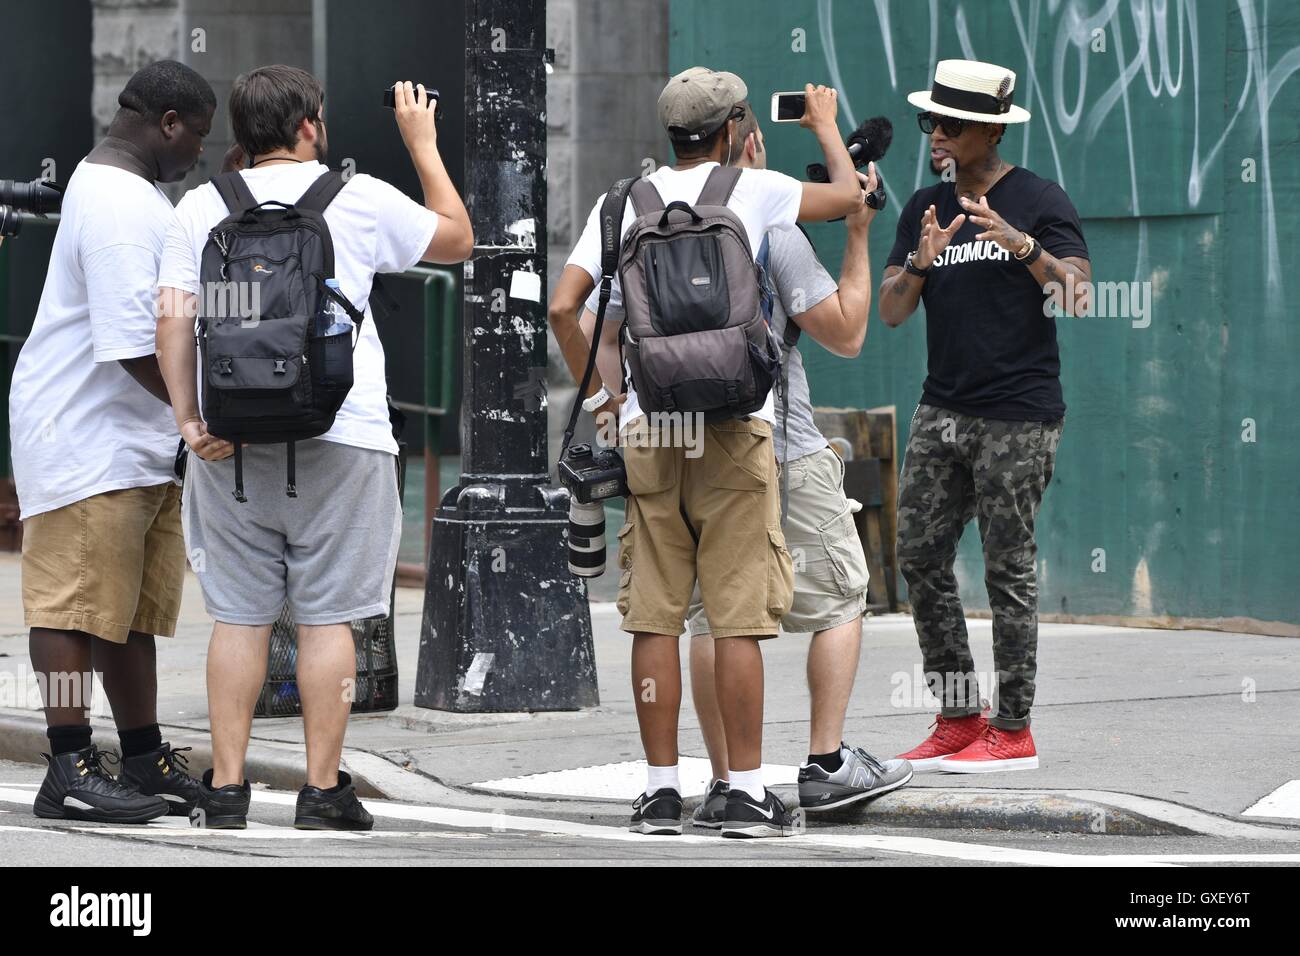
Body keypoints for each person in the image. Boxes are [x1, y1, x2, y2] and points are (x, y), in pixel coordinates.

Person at [548, 67, 862, 838]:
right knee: (736, 619)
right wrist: (825, 128)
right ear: (733, 130)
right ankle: (746, 791)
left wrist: (606, 404)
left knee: (657, 616)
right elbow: (851, 200)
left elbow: (563, 306)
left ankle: (661, 792)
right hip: (734, 429)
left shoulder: (620, 203)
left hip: (654, 433)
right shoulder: (752, 191)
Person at [155, 67, 473, 829]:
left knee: (239, 617)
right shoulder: (355, 197)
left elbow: (171, 318)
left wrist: (190, 421)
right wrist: (422, 145)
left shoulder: (202, 206)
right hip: (343, 432)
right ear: (308, 126)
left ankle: (226, 788)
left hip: (230, 440)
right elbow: (458, 239)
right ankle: (323, 790)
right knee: (329, 619)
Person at [9, 60, 217, 822]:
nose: (198, 150)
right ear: (167, 125)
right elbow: (137, 343)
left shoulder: (119, 191)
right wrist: (198, 415)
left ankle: (141, 756)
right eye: (196, 135)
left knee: (126, 615)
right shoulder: (122, 204)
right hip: (83, 438)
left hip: (127, 442)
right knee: (68, 611)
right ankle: (67, 765)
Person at [879, 59, 1090, 772]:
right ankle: (959, 716)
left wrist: (1023, 245)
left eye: (951, 123)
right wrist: (920, 263)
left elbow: (1079, 296)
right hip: (942, 410)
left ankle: (1015, 726)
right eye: (928, 121)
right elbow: (891, 312)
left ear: (989, 129)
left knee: (1007, 567)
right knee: (919, 556)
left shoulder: (1037, 199)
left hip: (1018, 416)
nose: (936, 134)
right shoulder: (923, 207)